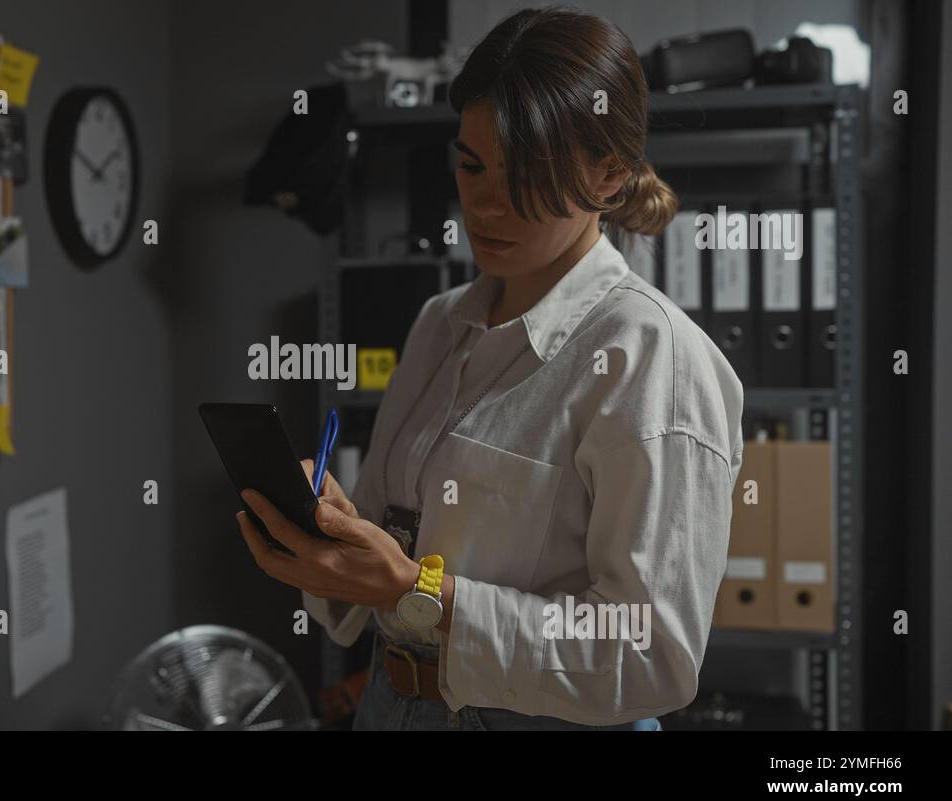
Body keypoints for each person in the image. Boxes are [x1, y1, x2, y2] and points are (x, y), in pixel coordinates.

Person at [236, 6, 744, 730]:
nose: (483, 203)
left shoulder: (653, 359)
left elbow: (650, 653)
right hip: (389, 702)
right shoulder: (440, 324)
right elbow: (393, 538)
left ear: (611, 174)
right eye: (471, 164)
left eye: (526, 176)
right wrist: (339, 543)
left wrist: (419, 595)